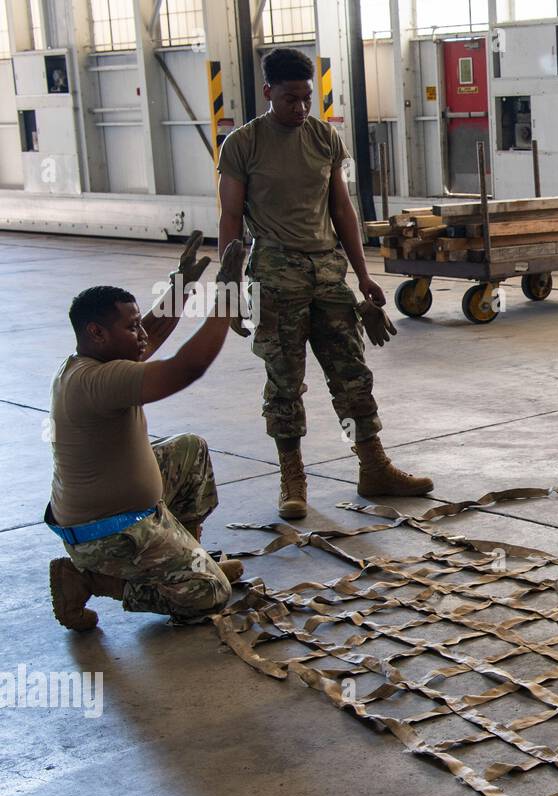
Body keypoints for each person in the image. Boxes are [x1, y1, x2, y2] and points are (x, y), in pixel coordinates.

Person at [217, 47, 430, 520]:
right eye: (290, 98)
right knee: (285, 383)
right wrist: (228, 287)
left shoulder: (325, 139)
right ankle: (292, 478)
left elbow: (342, 209)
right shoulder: (242, 145)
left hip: (328, 275)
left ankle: (373, 466)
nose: (300, 108)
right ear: (269, 92)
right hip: (274, 279)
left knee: (352, 376)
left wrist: (363, 274)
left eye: (307, 98)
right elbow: (230, 218)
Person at [47, 238, 248, 631]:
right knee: (211, 595)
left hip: (117, 509)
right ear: (97, 333)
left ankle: (187, 560)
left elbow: (151, 333)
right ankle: (90, 580)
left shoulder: (97, 359)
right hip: (107, 533)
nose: (141, 334)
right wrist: (227, 296)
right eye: (130, 326)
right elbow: (186, 367)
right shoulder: (98, 380)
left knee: (189, 449)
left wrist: (181, 286)